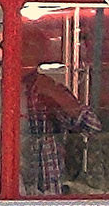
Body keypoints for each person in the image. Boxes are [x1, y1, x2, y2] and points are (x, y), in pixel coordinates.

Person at [22, 63, 98, 194]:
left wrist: (55, 95)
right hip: (6, 192)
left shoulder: (44, 91)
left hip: (48, 195)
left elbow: (92, 126)